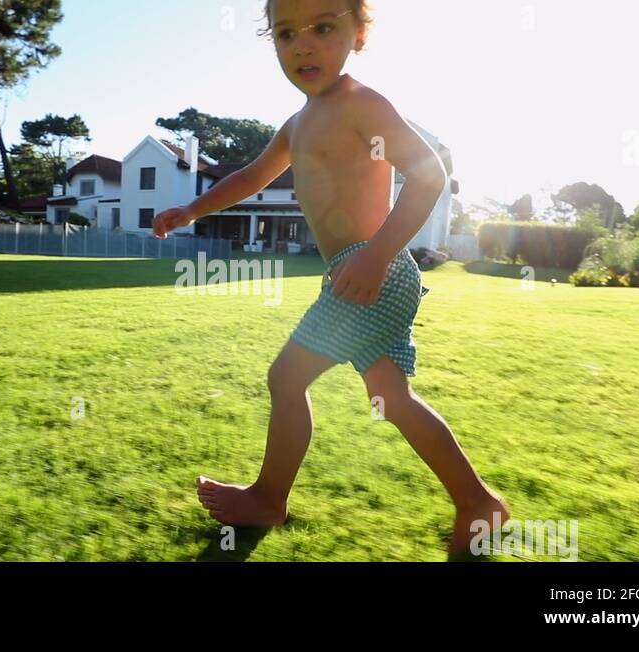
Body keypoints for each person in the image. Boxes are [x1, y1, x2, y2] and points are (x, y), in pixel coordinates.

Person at [152, 0, 508, 557]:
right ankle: (476, 500)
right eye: (286, 33)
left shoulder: (362, 104)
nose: (304, 45)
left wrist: (376, 257)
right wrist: (192, 209)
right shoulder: (297, 126)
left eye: (323, 27)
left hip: (374, 270)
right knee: (391, 396)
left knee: (286, 379)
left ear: (359, 35)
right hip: (362, 274)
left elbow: (430, 174)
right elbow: (250, 176)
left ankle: (270, 498)